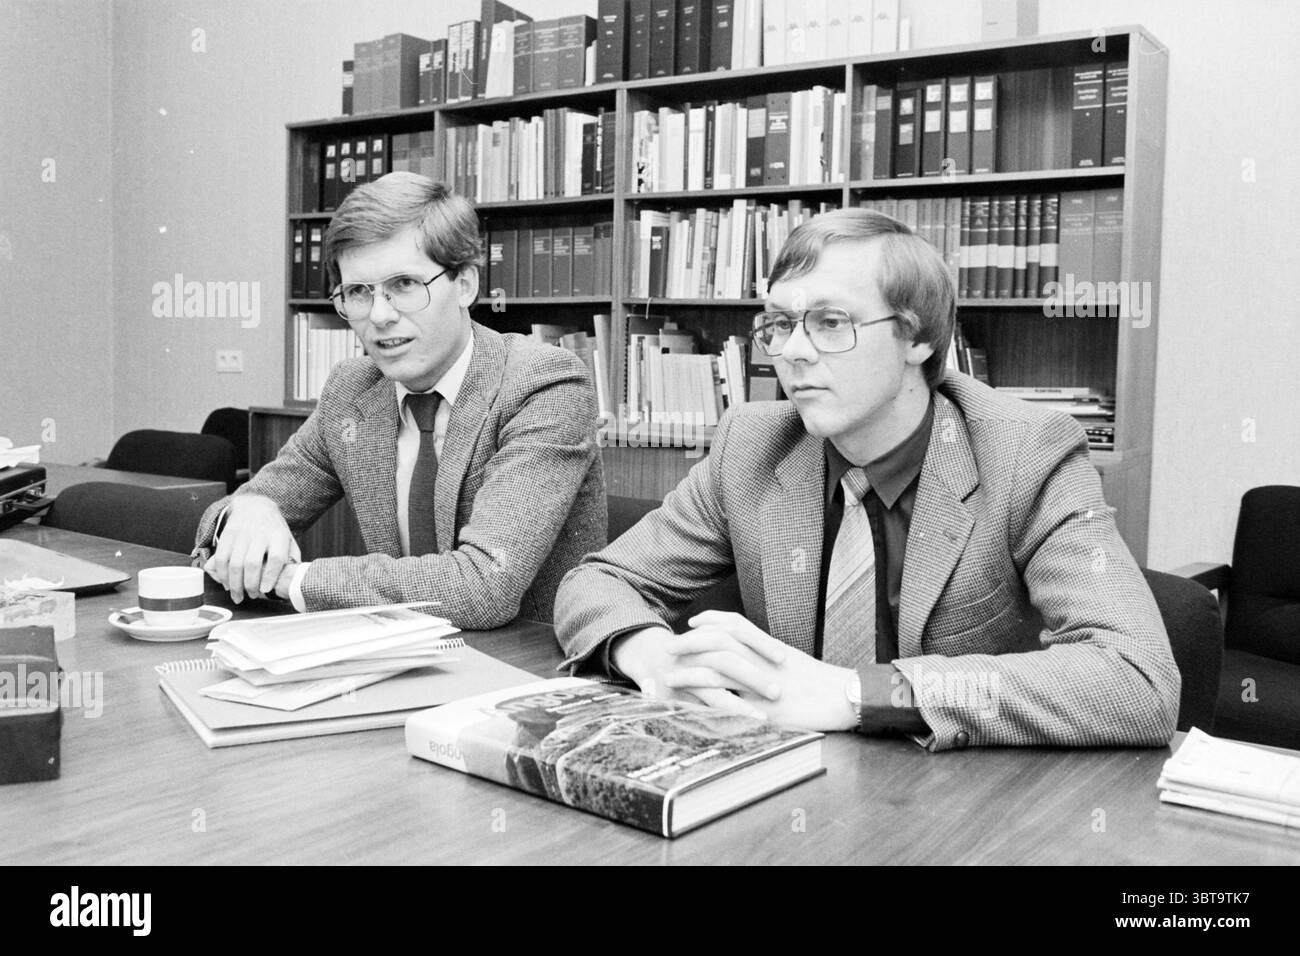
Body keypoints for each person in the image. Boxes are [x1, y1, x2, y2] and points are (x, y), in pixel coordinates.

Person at [554, 208, 1179, 750]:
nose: (793, 352)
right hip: (784, 785)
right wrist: (648, 654)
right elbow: (597, 581)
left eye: (830, 322)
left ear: (919, 339)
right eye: (779, 323)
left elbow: (1138, 676)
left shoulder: (1023, 453)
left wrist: (858, 694)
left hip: (955, 803)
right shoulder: (752, 444)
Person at [194, 172, 606, 628]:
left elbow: (482, 587)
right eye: (357, 292)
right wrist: (250, 510)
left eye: (405, 285)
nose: (380, 315)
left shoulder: (544, 385)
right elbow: (228, 519)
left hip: (526, 667)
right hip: (400, 657)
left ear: (465, 285)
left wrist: (297, 580)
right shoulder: (353, 390)